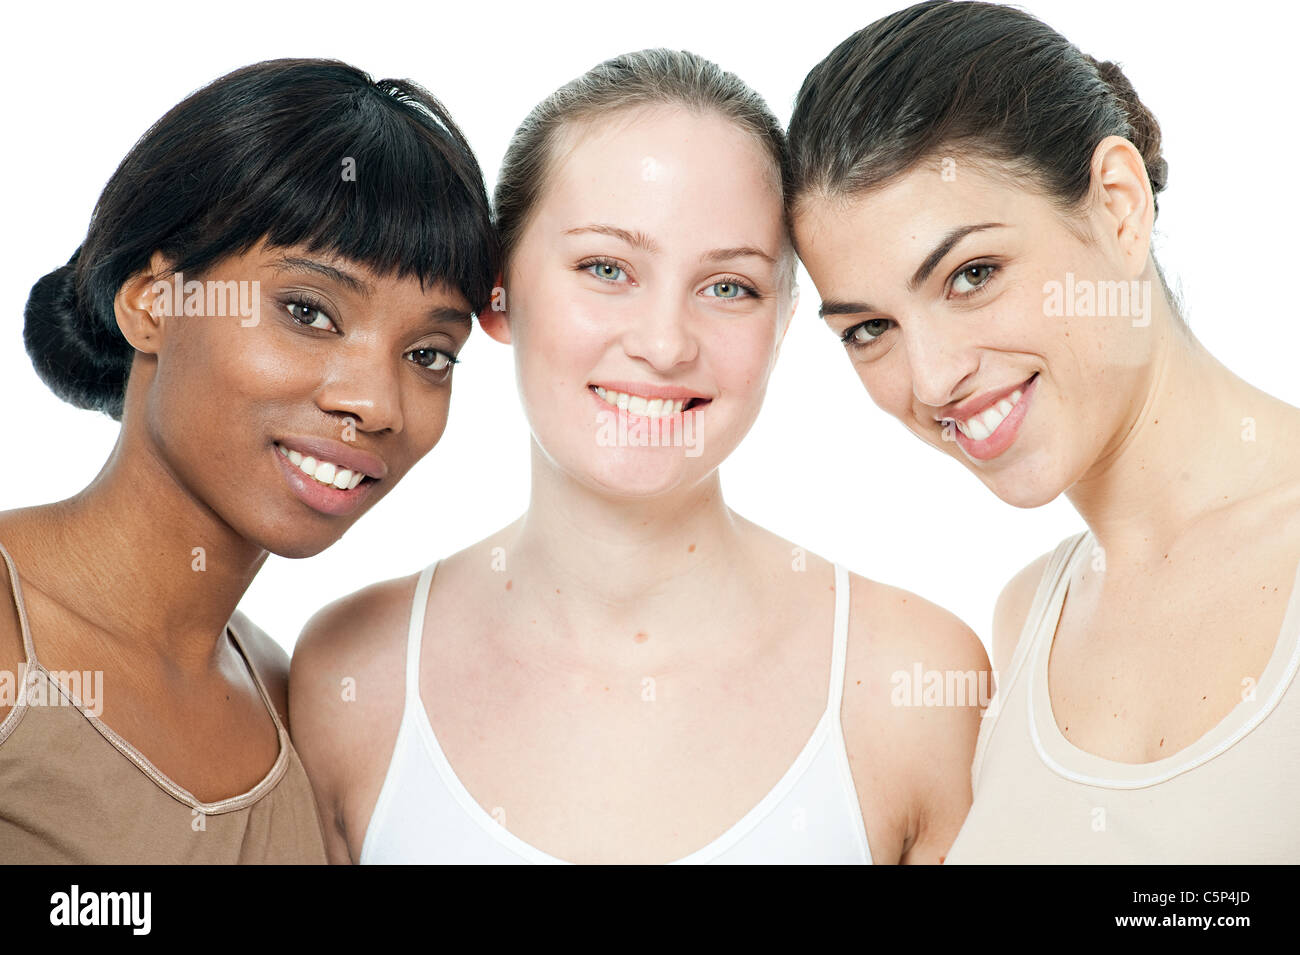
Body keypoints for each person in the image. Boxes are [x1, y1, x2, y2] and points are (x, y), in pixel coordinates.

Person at [291, 48, 988, 865]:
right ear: (498, 292)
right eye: (606, 268)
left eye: (729, 286)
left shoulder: (916, 685)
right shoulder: (350, 677)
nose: (664, 345)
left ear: (785, 318)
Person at [787, 0, 1300, 862]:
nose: (932, 377)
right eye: (869, 329)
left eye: (972, 273)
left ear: (1119, 205)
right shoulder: (1025, 620)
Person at [0, 58, 499, 863]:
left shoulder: (291, 701)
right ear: (152, 300)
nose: (377, 403)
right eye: (308, 310)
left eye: (430, 354)